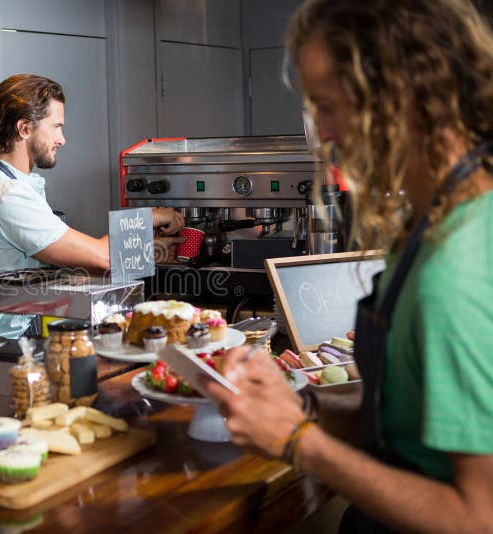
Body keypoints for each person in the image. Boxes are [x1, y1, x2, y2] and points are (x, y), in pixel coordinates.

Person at [203, 0, 493, 531]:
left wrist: (297, 442)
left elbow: (478, 516)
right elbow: (406, 418)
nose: (324, 134)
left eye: (329, 106)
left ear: (400, 95)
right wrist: (303, 406)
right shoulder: (442, 220)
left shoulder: (456, 272)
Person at [0, 74, 185, 337]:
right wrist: (153, 216)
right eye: (56, 127)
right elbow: (103, 258)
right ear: (24, 129)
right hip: (15, 341)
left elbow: (49, 258)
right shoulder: (5, 195)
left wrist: (151, 246)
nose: (62, 139)